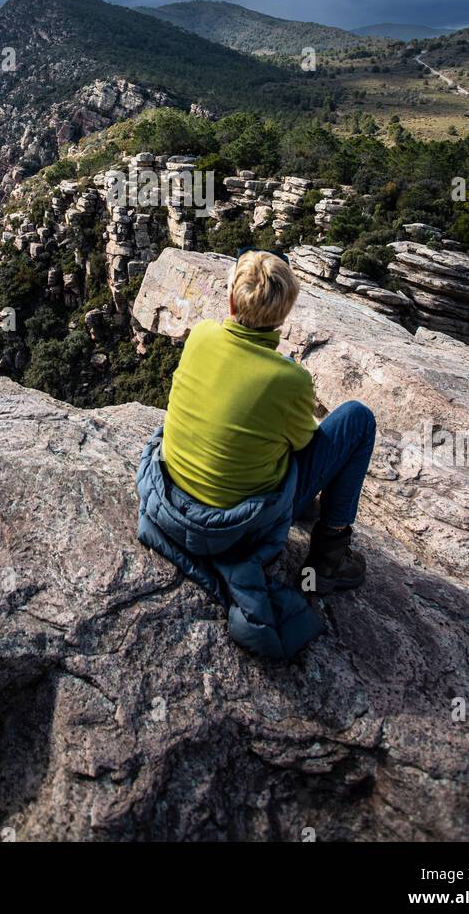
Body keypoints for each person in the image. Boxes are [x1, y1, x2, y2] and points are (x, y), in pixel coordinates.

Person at [136, 248, 377, 658]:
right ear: (283, 316)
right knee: (357, 419)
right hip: (238, 522)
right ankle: (328, 559)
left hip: (171, 498)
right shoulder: (291, 379)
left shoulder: (202, 336)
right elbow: (304, 445)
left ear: (230, 300)